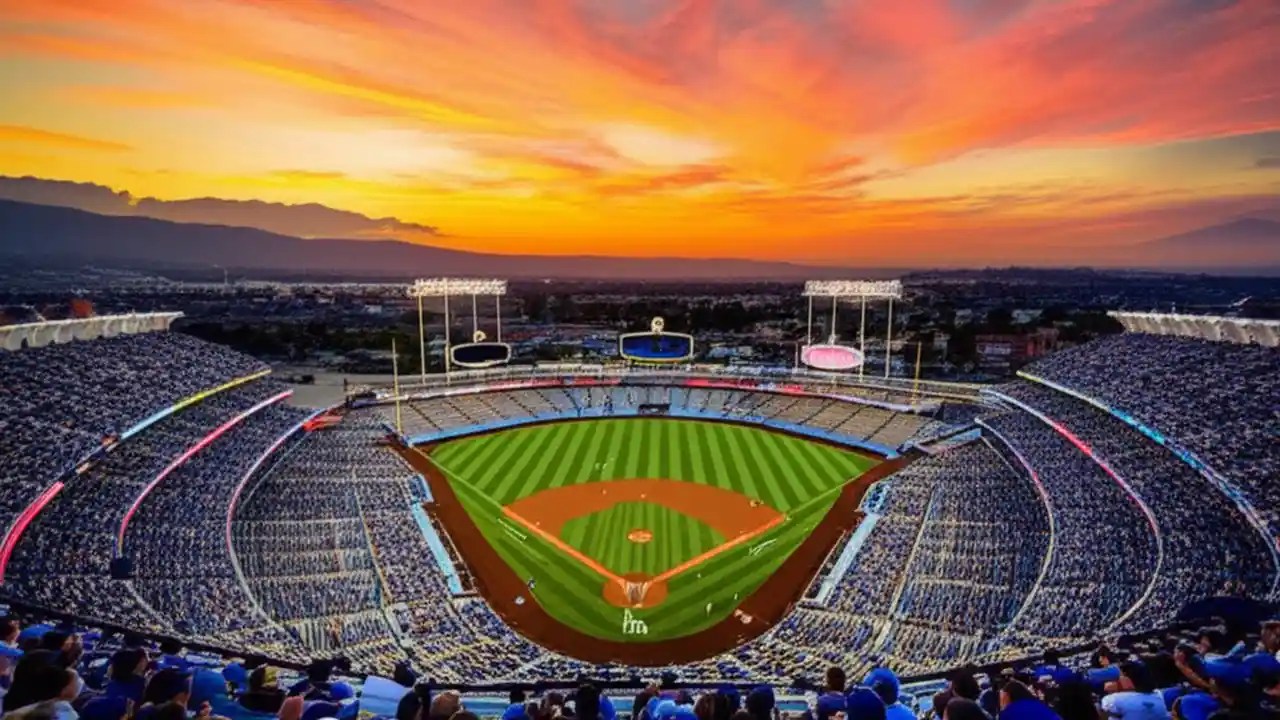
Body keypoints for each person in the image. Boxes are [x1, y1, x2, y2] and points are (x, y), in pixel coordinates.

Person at [1100, 662, 1169, 720]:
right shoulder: (1161, 695)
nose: (1118, 679)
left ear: (1128, 678)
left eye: (1121, 676)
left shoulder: (1115, 699)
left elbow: (1104, 708)